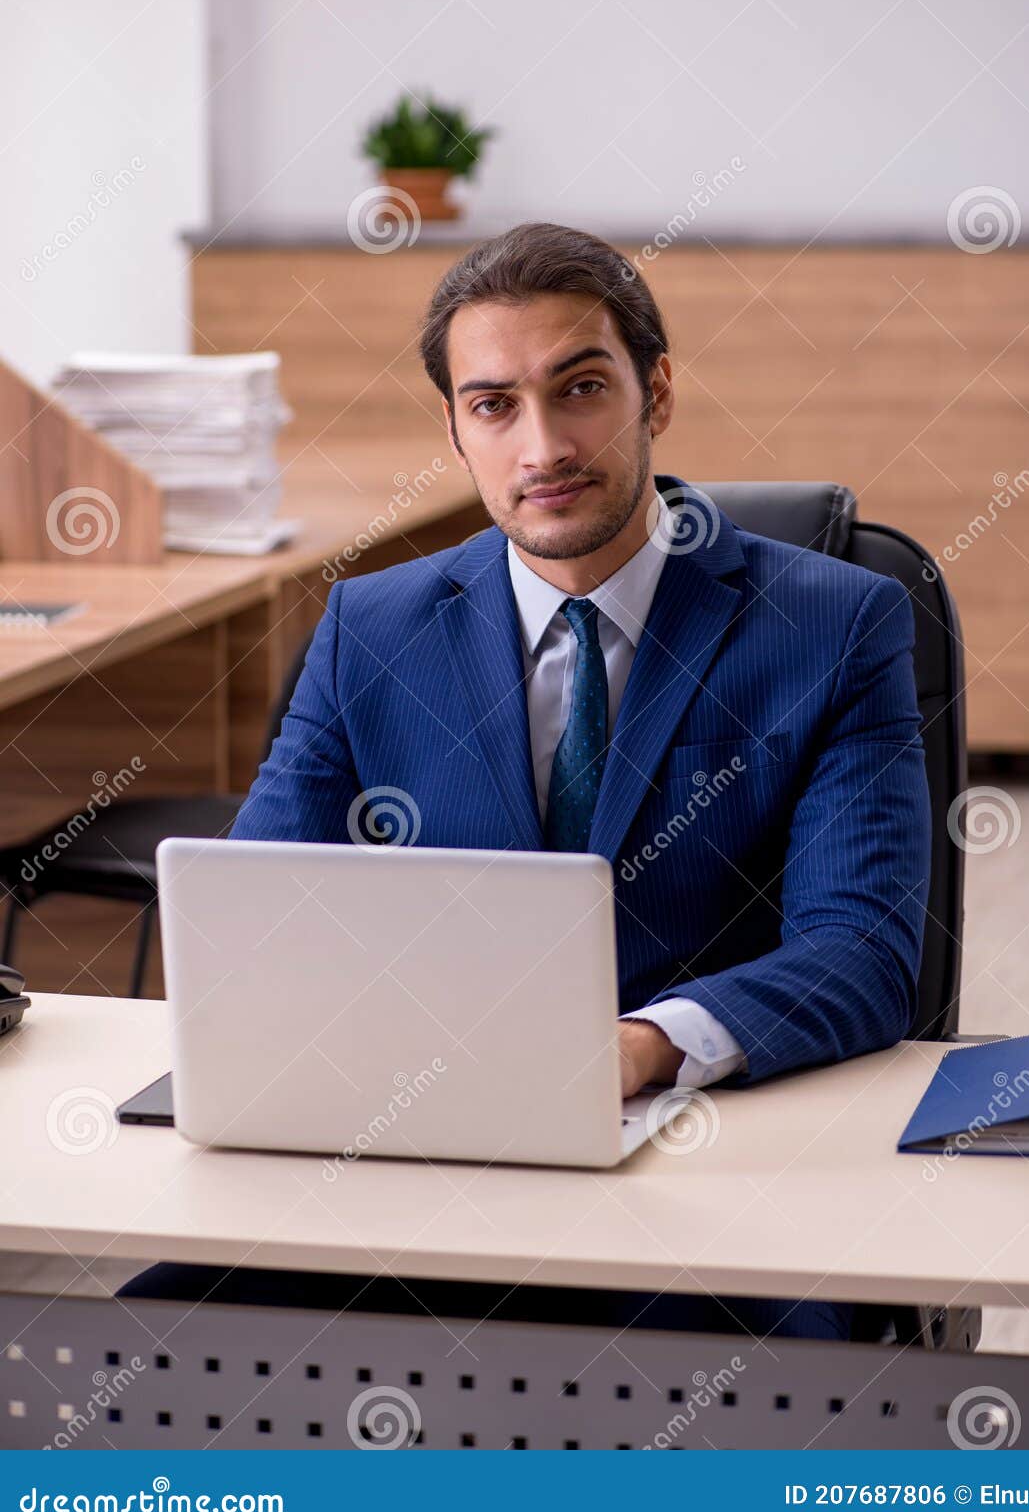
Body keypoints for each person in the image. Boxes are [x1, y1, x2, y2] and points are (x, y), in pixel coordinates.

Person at [122, 222, 931, 1342]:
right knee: (123, 1362)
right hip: (414, 1154)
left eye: (581, 388)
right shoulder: (373, 627)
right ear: (454, 429)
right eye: (494, 404)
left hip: (708, 1176)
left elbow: (866, 953)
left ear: (656, 395)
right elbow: (263, 914)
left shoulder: (834, 623)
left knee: (789, 1412)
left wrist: (642, 1046)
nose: (541, 444)